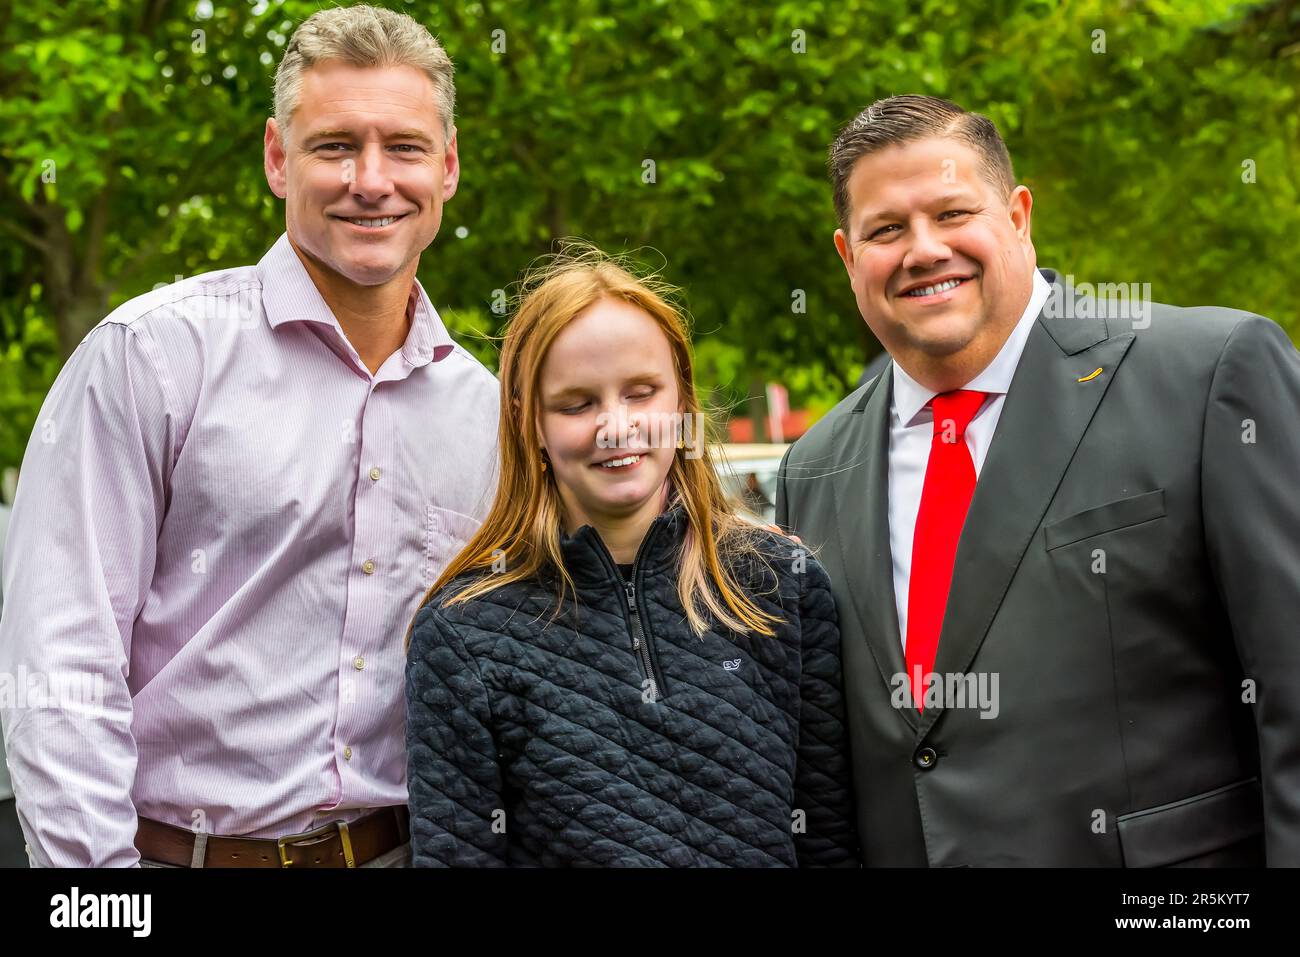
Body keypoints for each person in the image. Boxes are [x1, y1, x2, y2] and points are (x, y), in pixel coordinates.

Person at [0, 5, 497, 868]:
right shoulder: (151, 358)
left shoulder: (484, 411)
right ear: (277, 157)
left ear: (448, 167)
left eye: (405, 148)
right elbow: (61, 667)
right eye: (335, 145)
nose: (372, 180)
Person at [777, 94, 1300, 866]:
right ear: (848, 258)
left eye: (954, 213)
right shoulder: (812, 469)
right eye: (886, 229)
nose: (923, 249)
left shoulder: (1210, 374)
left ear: (1018, 216)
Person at [405, 245, 858, 866]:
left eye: (641, 393)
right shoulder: (464, 634)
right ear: (528, 421)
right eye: (577, 404)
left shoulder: (782, 586)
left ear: (681, 399)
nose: (616, 427)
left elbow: (827, 840)